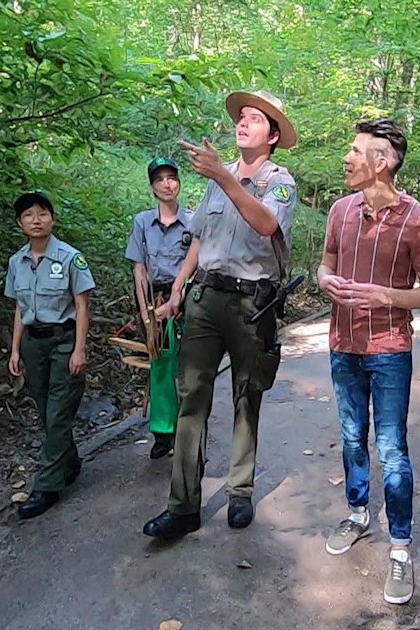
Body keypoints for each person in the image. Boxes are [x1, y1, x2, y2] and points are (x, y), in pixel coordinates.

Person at [142, 89, 299, 539]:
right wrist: (176, 290)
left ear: (272, 136)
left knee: (247, 395)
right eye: (241, 117)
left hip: (253, 303)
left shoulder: (279, 180)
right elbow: (198, 240)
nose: (243, 123)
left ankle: (240, 491)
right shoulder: (218, 177)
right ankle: (183, 505)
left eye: (255, 119)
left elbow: (267, 224)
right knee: (192, 396)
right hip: (205, 298)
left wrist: (223, 178)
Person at [316, 119, 420, 605]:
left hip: (389, 350)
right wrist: (325, 279)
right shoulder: (339, 211)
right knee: (351, 437)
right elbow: (326, 261)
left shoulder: (417, 220)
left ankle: (401, 548)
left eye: (355, 151)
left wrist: (384, 295)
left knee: (391, 448)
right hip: (342, 344)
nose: (346, 159)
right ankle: (357, 513)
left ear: (381, 163)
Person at [4, 191, 96, 520]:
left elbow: (83, 306)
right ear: (20, 224)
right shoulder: (17, 262)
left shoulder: (71, 258)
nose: (36, 220)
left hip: (63, 341)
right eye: (28, 216)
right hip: (33, 343)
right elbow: (19, 307)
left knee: (58, 412)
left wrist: (79, 349)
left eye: (42, 214)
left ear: (52, 218)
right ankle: (68, 463)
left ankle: (46, 485)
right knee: (45, 410)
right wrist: (15, 349)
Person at [125, 156, 194, 459]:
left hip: (188, 298)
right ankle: (163, 432)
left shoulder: (193, 221)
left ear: (179, 182)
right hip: (153, 299)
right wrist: (145, 311)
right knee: (160, 365)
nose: (167, 184)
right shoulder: (142, 222)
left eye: (171, 178)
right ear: (152, 186)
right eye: (160, 179)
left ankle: (189, 427)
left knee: (189, 366)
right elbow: (139, 268)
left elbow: (198, 264)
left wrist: (178, 296)